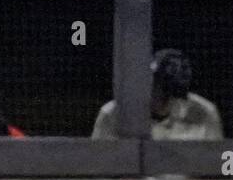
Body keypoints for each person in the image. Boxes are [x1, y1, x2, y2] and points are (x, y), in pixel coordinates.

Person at [92, 49, 223, 140]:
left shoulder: (204, 111)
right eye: (157, 85)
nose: (159, 95)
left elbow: (215, 165)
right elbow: (98, 163)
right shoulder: (113, 113)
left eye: (169, 92)